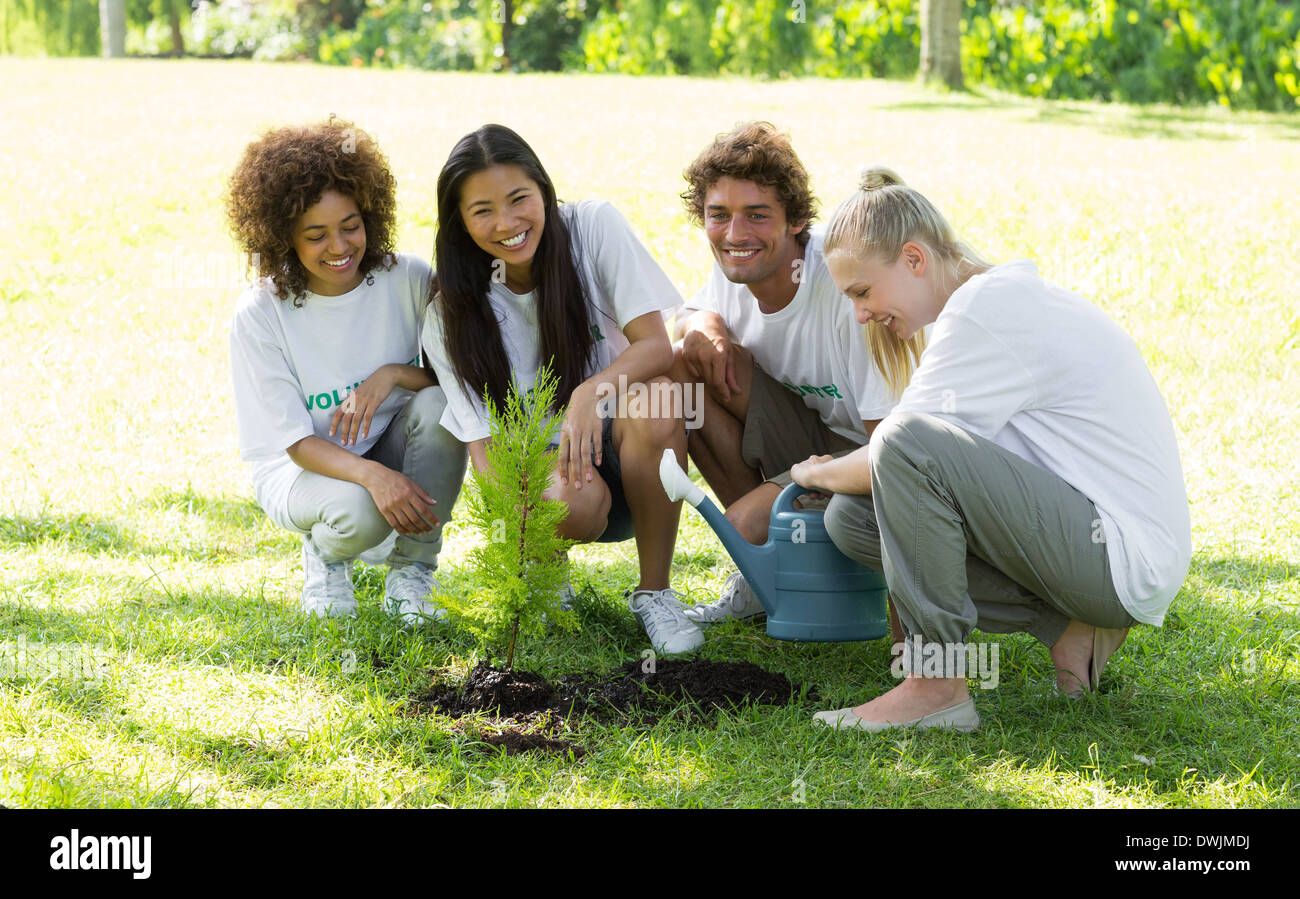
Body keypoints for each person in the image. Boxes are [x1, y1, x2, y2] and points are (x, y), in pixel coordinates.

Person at [793, 167, 1191, 731]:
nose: (860, 314)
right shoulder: (983, 303)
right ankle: (1069, 628)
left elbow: (899, 449)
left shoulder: (986, 309)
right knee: (855, 519)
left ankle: (936, 686)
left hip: (1120, 555)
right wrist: (836, 482)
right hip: (1099, 551)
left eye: (862, 291)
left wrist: (816, 472)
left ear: (913, 258)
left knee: (903, 445)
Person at [422, 123, 702, 654]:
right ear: (458, 222)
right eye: (482, 211)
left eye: (518, 199)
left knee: (660, 397)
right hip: (563, 485)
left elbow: (656, 346)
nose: (507, 223)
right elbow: (485, 453)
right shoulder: (449, 314)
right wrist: (523, 546)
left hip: (632, 451)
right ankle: (553, 575)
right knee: (568, 501)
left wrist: (589, 393)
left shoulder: (593, 227)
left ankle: (655, 593)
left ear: (544, 191)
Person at [227, 118, 467, 623]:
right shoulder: (260, 313)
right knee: (358, 515)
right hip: (298, 471)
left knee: (442, 405)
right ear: (282, 238)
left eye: (350, 226)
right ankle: (326, 555)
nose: (339, 247)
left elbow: (456, 383)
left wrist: (393, 375)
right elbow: (293, 442)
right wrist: (374, 478)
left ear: (370, 216)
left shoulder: (409, 280)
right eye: (316, 235)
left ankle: (412, 572)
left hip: (389, 446)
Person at [669, 122, 908, 629]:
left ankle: (777, 560)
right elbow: (688, 316)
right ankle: (770, 572)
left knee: (746, 524)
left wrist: (833, 483)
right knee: (686, 369)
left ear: (796, 219)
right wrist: (702, 323)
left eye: (757, 216)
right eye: (719, 216)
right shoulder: (736, 261)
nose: (735, 235)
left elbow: (892, 452)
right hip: (814, 436)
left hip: (876, 449)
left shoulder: (845, 282)